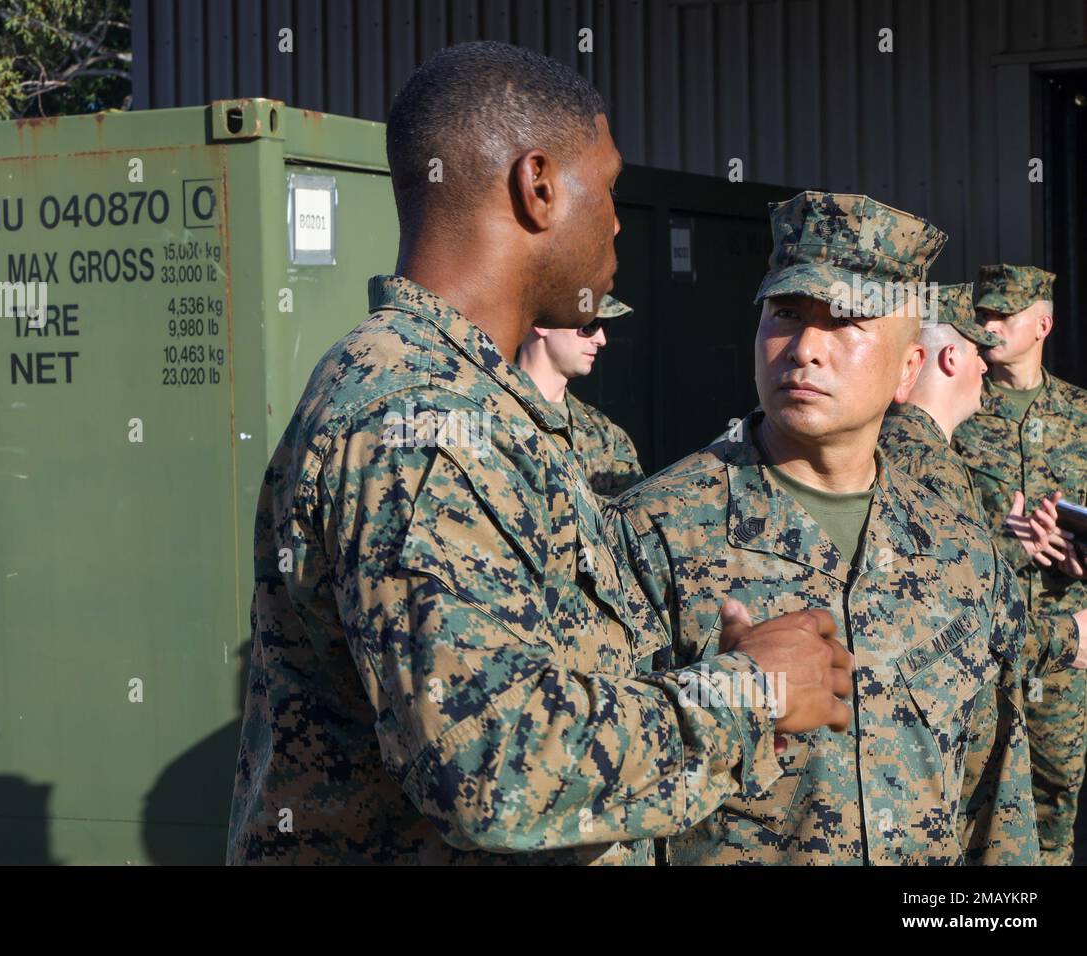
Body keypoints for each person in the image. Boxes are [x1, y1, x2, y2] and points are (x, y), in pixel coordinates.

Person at [227, 42, 853, 865]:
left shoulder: (473, 404)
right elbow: (493, 771)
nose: (621, 222)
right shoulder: (424, 423)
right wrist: (749, 694)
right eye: (613, 189)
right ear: (539, 186)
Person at [609, 191, 1038, 864]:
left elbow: (995, 809)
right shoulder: (654, 533)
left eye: (845, 321)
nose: (804, 348)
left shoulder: (961, 556)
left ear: (907, 370)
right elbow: (611, 808)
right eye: (785, 314)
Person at [878, 283, 1087, 679]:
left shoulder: (885, 445)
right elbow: (967, 617)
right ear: (952, 357)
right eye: (977, 351)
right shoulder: (934, 467)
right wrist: (1071, 637)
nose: (985, 366)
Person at [952, 264, 1087, 865]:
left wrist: (1079, 552)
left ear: (1044, 324)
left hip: (1062, 646)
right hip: (978, 645)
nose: (990, 324)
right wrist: (1004, 543)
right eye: (983, 313)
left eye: (1006, 313)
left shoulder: (1081, 414)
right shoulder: (955, 412)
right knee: (969, 803)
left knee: (1053, 798)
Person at [517, 294, 644, 496]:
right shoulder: (487, 416)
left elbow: (630, 521)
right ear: (544, 323)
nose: (601, 339)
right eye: (589, 324)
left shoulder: (606, 435)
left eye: (604, 326)